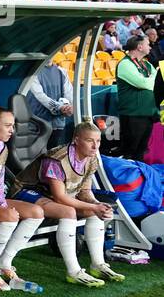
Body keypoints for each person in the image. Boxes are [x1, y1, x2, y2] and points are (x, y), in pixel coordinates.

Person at [13, 121, 124, 287]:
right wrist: (94, 206)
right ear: (76, 140)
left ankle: (98, 265)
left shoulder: (91, 158)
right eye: (90, 141)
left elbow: (84, 192)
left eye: (98, 141)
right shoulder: (57, 159)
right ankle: (73, 272)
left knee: (94, 212)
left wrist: (96, 205)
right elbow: (60, 198)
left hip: (52, 196)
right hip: (26, 191)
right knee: (68, 212)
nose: (95, 146)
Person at [0, 104, 50, 292]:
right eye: (7, 126)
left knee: (37, 212)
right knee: (10, 216)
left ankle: (5, 261)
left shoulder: (2, 147)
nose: (12, 131)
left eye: (12, 126)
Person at [116, 35, 157, 161]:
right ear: (139, 47)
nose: (150, 47)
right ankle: (124, 179)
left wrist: (152, 80)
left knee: (141, 152)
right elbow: (144, 83)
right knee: (129, 152)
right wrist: (152, 80)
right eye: (147, 44)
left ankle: (137, 180)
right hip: (132, 115)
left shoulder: (147, 64)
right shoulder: (125, 64)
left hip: (148, 114)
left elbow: (158, 82)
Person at [29, 58, 75, 147]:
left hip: (58, 125)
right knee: (37, 156)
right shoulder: (33, 73)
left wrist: (69, 106)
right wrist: (60, 107)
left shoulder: (62, 71)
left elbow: (69, 93)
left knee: (52, 155)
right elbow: (40, 95)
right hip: (38, 124)